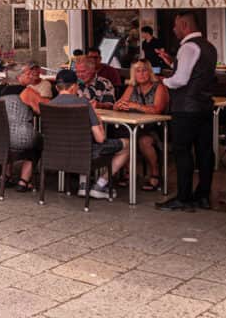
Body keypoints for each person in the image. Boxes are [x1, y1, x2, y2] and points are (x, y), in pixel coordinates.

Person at [156, 12, 217, 212]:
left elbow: (181, 80)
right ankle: (203, 196)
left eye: (175, 26)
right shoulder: (209, 47)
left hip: (186, 108)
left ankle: (183, 197)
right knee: (205, 152)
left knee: (182, 152)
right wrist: (172, 62)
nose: (173, 30)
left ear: (184, 25)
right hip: (204, 107)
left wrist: (163, 81)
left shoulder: (188, 47)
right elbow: (195, 72)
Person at [53, 68, 130, 199]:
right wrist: (97, 119)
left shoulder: (49, 105)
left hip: (59, 153)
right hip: (85, 152)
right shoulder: (83, 104)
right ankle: (100, 184)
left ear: (56, 87)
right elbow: (100, 138)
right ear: (74, 87)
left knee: (82, 139)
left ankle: (84, 185)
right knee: (128, 144)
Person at [115, 60, 170, 191]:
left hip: (155, 127)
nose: (141, 74)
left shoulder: (159, 87)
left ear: (150, 72)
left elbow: (157, 109)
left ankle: (155, 172)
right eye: (137, 71)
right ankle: (130, 172)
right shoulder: (132, 87)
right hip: (134, 126)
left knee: (144, 141)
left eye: (144, 70)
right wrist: (119, 105)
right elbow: (119, 104)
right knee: (123, 139)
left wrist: (135, 105)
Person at [0, 65, 42, 192]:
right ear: (18, 77)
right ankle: (24, 180)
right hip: (21, 138)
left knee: (12, 134)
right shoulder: (27, 91)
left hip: (1, 137)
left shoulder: (0, 90)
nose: (30, 76)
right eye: (27, 74)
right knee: (39, 141)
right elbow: (43, 109)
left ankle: (5, 176)